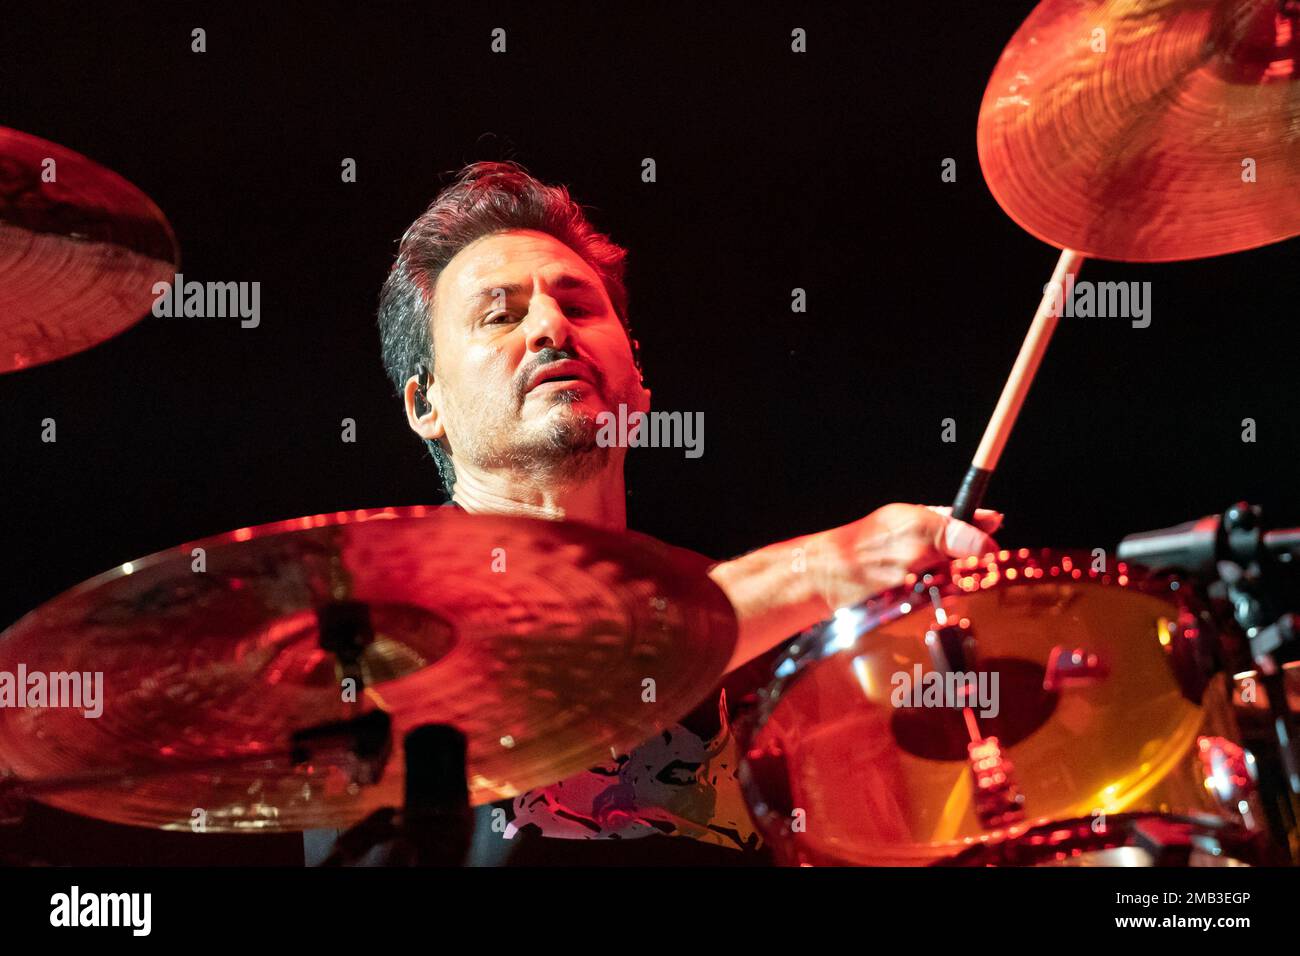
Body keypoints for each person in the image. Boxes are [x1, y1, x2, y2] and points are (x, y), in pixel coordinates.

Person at [372, 160, 1000, 864]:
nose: (551, 324)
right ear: (425, 404)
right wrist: (823, 569)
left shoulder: (773, 644)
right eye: (501, 314)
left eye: (578, 307)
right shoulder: (370, 610)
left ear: (637, 382)